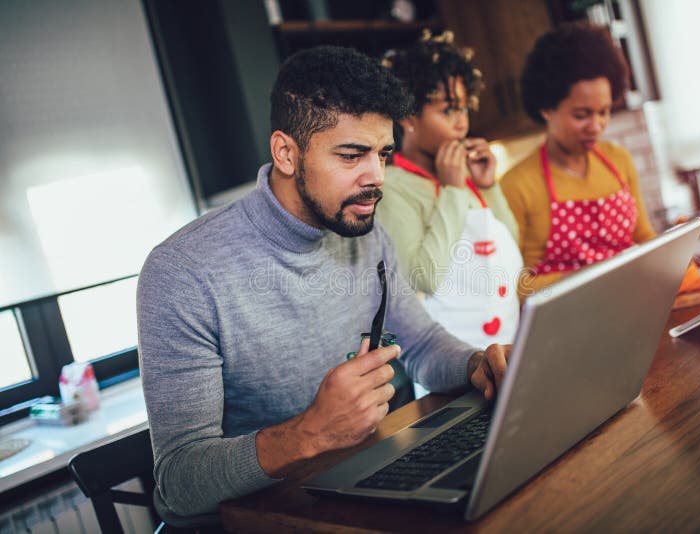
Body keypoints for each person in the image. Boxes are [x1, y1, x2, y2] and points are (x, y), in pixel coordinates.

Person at [136, 45, 512, 527]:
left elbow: (419, 342)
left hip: (356, 490)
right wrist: (310, 433)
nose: (376, 177)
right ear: (286, 153)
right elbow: (179, 484)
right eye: (352, 155)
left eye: (383, 154)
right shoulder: (182, 273)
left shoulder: (363, 229)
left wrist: (477, 363)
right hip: (261, 520)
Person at [377, 31, 522, 348]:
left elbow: (510, 253)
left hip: (504, 345)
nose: (461, 124)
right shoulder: (393, 188)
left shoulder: (463, 177)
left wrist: (488, 186)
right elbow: (422, 278)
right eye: (448, 111)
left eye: (464, 109)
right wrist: (453, 191)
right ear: (408, 116)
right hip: (450, 363)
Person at [501, 22, 656, 294]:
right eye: (581, 115)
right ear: (547, 108)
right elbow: (512, 286)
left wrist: (672, 258)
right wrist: (587, 277)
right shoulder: (517, 185)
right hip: (564, 326)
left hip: (633, 302)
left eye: (604, 112)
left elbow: (643, 238)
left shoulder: (618, 161)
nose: (596, 126)